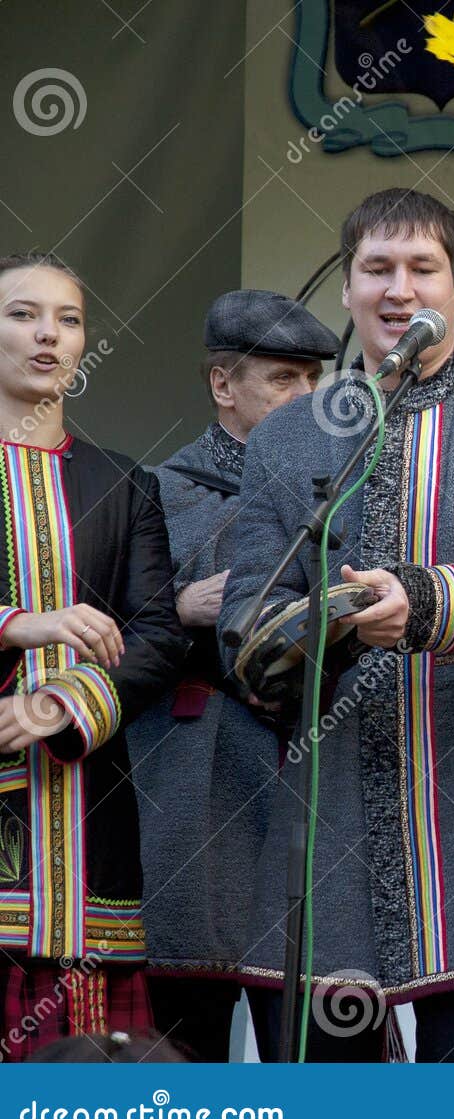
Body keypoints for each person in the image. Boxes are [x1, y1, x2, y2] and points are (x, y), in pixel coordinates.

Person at [218, 189, 454, 1061]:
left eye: (421, 267)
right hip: (328, 823)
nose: (399, 289)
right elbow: (243, 618)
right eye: (376, 269)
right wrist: (302, 629)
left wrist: (424, 603)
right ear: (346, 290)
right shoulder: (290, 437)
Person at [125, 290, 339, 1061]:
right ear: (224, 385)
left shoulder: (347, 484)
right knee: (187, 1038)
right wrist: (173, 609)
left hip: (316, 784)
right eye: (285, 379)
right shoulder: (153, 490)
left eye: (316, 379)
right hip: (202, 796)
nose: (307, 399)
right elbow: (98, 644)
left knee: (322, 1034)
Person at [0, 252, 187, 1060]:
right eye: (22, 314)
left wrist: (58, 703)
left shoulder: (122, 483)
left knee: (79, 1090)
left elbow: (158, 636)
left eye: (68, 320)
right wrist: (18, 624)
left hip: (86, 831)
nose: (48, 334)